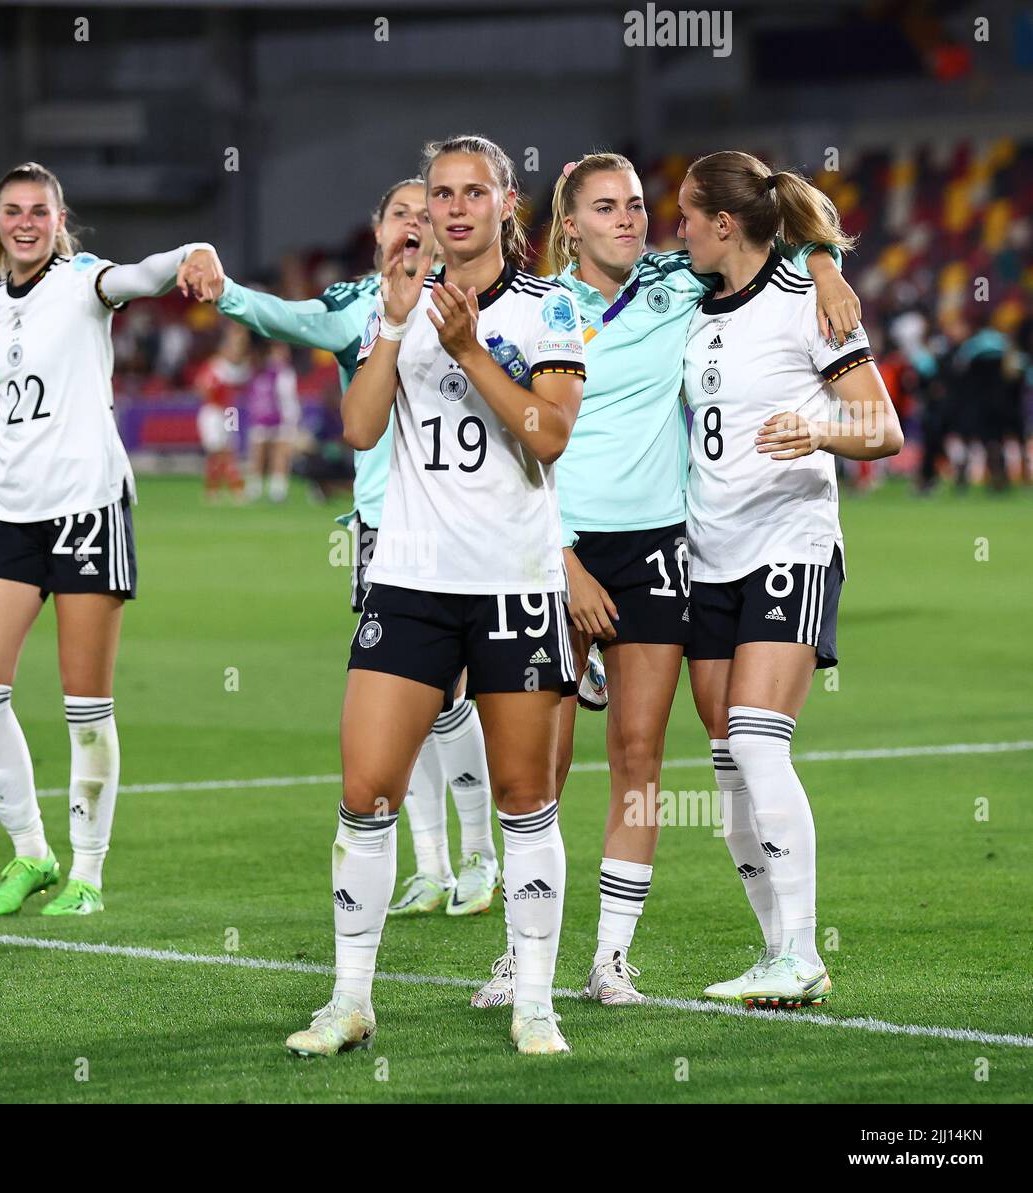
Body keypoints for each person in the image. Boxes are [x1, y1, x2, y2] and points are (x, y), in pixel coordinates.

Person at [468, 152, 861, 1010]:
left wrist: (827, 264)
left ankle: (611, 959)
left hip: (657, 547)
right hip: (552, 549)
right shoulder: (538, 310)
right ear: (569, 225)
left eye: (640, 205)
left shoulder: (677, 282)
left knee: (640, 755)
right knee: (539, 765)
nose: (633, 219)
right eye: (608, 207)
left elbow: (764, 236)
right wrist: (562, 559)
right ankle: (518, 953)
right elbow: (519, 439)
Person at [284, 134, 586, 1058]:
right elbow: (360, 425)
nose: (452, 209)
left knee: (525, 794)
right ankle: (349, 1000)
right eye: (438, 195)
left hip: (513, 582)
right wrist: (392, 322)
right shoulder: (401, 308)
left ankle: (535, 1001)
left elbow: (549, 436)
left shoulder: (551, 307)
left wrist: (469, 350)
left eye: (471, 192)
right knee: (365, 788)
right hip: (410, 579)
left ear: (505, 203)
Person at [0, 161, 223, 918]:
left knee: (85, 706)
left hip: (88, 509)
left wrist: (190, 251)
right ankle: (32, 852)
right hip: (11, 513)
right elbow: (2, 394)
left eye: (39, 210)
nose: (25, 221)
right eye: (12, 210)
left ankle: (87, 873)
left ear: (60, 223)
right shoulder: (2, 303)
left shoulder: (84, 280)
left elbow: (139, 276)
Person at [204, 179, 499, 921]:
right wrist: (227, 293)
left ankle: (480, 856)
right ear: (377, 229)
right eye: (398, 212)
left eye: (422, 212)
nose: (411, 222)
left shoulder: (474, 301)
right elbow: (284, 315)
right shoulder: (355, 309)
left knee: (448, 698)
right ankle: (431, 865)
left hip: (456, 524)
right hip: (380, 527)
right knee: (409, 703)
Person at [677, 150, 902, 1006]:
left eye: (690, 214)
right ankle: (778, 954)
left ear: (724, 223)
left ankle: (802, 950)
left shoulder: (812, 304)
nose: (679, 227)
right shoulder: (690, 309)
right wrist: (820, 250)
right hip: (710, 556)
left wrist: (817, 436)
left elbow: (880, 427)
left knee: (758, 734)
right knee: (729, 756)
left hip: (791, 543)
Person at [194, 322, 250, 503]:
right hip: (213, 412)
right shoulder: (215, 366)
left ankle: (229, 489)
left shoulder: (236, 367)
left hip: (229, 412)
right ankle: (220, 488)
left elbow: (239, 355)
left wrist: (239, 337)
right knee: (216, 452)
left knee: (228, 451)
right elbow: (201, 387)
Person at [242, 339, 301, 502]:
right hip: (262, 417)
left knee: (280, 454)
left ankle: (278, 489)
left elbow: (289, 399)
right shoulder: (260, 370)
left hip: (282, 419)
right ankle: (255, 487)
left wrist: (291, 420)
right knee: (258, 453)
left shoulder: (286, 373)